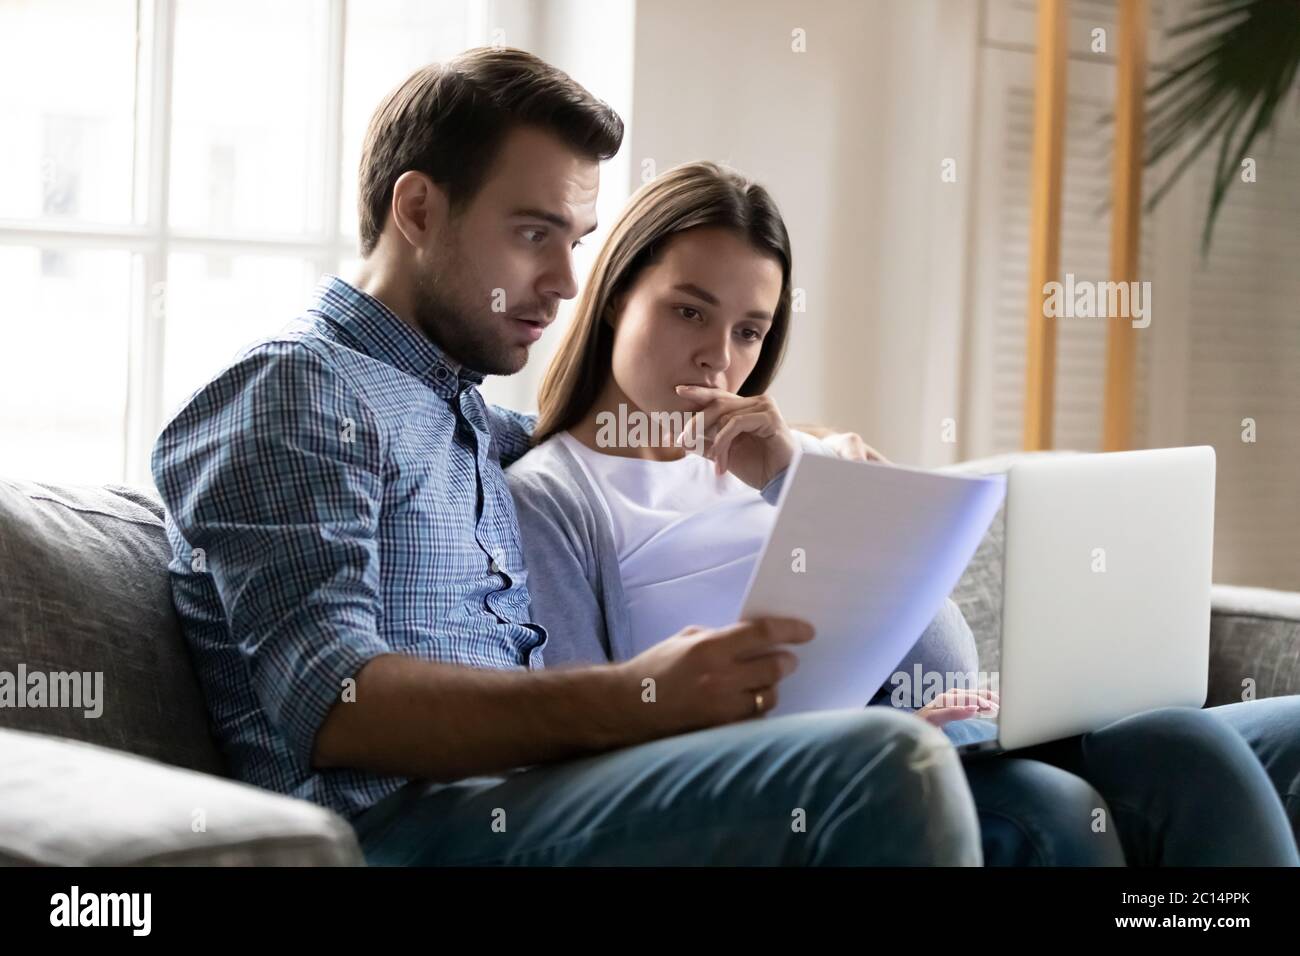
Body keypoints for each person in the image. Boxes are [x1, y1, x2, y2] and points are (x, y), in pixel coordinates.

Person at [151, 48, 982, 866]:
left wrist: (808, 465)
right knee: (882, 765)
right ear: (417, 211)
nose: (566, 280)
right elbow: (334, 702)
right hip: (393, 835)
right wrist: (644, 697)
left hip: (525, 805)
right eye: (533, 234)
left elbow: (628, 440)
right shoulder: (296, 389)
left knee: (1031, 781)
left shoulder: (468, 418)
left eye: (576, 241)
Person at [506, 159, 1300, 866]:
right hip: (836, 785)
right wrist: (888, 740)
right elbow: (585, 751)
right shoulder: (557, 496)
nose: (720, 354)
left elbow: (945, 659)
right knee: (1061, 810)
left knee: (1197, 740)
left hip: (952, 739)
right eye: (689, 311)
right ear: (613, 299)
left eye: (749, 329)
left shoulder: (787, 459)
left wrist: (798, 476)